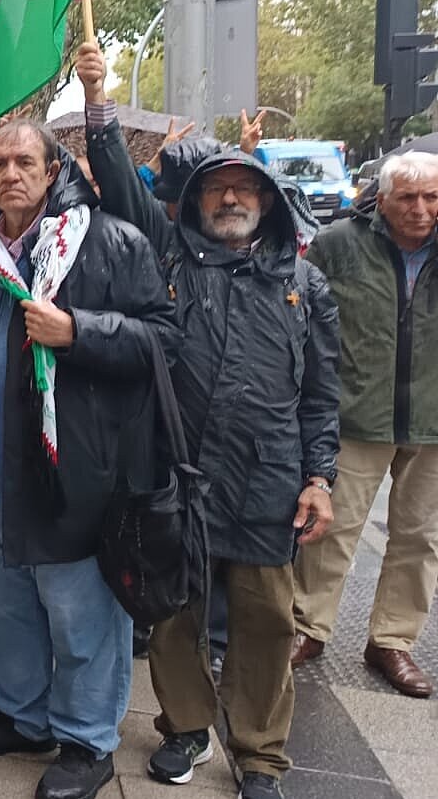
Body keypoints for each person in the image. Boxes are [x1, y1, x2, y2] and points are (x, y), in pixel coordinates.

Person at [79, 43, 341, 799]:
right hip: (179, 474)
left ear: (266, 200)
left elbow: (323, 393)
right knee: (174, 613)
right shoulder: (169, 257)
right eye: (216, 188)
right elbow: (122, 189)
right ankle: (185, 726)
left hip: (267, 481)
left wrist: (319, 477)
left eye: (242, 187)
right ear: (195, 202)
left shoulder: (304, 284)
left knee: (265, 621)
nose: (229, 198)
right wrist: (98, 102)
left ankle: (259, 755)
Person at [0, 118, 177, 799]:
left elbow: (164, 339)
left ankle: (87, 740)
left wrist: (79, 331)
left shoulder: (107, 241)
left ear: (53, 171)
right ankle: (23, 717)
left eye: (25, 161)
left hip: (68, 478)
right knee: (1, 609)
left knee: (80, 617)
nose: (10, 174)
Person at [293, 150, 438, 700]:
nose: (421, 209)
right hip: (354, 411)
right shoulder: (338, 244)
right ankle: (307, 625)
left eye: (432, 197)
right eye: (408, 197)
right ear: (382, 200)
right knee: (330, 529)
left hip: (431, 417)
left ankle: (392, 640)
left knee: (419, 537)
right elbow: (303, 317)